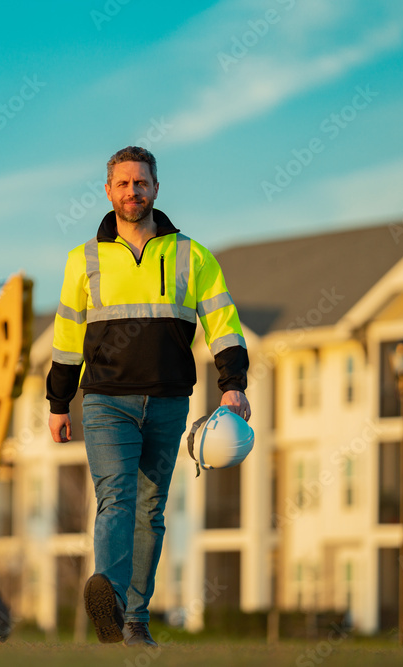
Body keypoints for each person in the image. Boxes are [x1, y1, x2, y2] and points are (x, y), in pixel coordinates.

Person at [46, 146, 250, 647]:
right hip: (105, 401)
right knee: (116, 498)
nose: (132, 191)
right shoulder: (83, 260)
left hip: (168, 400)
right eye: (123, 183)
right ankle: (111, 603)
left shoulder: (192, 255)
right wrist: (58, 403)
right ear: (108, 191)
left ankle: (136, 621)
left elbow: (222, 322)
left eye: (141, 182)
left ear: (156, 188)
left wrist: (233, 385)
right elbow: (67, 336)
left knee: (150, 510)